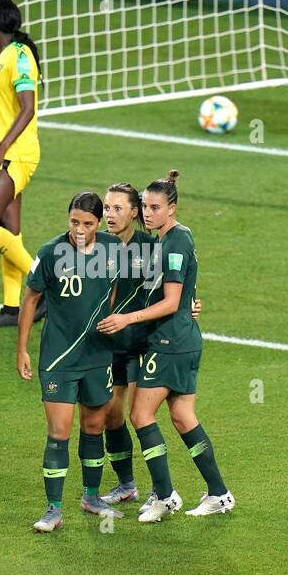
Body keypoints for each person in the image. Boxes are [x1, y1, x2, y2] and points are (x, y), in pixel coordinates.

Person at [97, 171, 233, 522]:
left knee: (141, 415)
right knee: (183, 417)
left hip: (170, 341)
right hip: (184, 340)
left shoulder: (174, 243)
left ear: (171, 209)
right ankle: (218, 493)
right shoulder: (174, 236)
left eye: (155, 207)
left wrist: (128, 319)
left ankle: (164, 494)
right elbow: (176, 293)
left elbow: (171, 302)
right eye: (144, 206)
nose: (147, 213)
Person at [16, 192, 124, 532]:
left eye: (87, 223)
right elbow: (30, 299)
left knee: (93, 427)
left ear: (98, 222)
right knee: (58, 432)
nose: (79, 229)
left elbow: (125, 287)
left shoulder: (113, 248)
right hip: (59, 358)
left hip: (97, 354)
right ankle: (53, 509)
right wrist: (22, 349)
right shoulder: (50, 253)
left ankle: (91, 497)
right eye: (74, 221)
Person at [98, 183, 201, 505]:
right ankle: (127, 484)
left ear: (133, 211)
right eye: (106, 208)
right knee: (111, 416)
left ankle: (162, 491)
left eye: (118, 208)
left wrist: (190, 303)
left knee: (142, 414)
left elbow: (175, 285)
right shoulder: (93, 248)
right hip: (111, 341)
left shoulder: (152, 244)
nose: (110, 215)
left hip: (146, 340)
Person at [0, 0, 45, 327]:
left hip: (15, 155)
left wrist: (1, 149)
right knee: (8, 231)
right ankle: (12, 309)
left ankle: (43, 284)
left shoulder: (21, 56)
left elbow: (28, 108)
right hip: (0, 156)